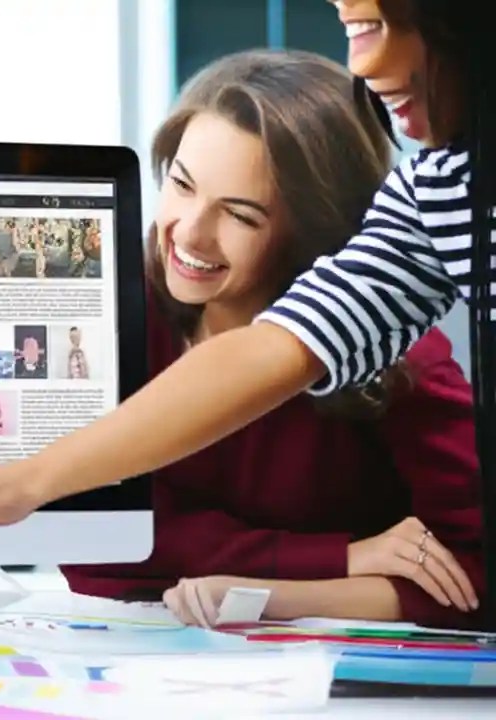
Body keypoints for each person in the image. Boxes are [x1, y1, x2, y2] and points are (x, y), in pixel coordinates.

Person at [55, 51, 481, 628]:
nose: (190, 234)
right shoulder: (117, 310)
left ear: (313, 232)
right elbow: (92, 544)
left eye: (241, 215)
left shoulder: (399, 359)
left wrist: (274, 596)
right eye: (181, 185)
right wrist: (341, 560)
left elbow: (477, 575)